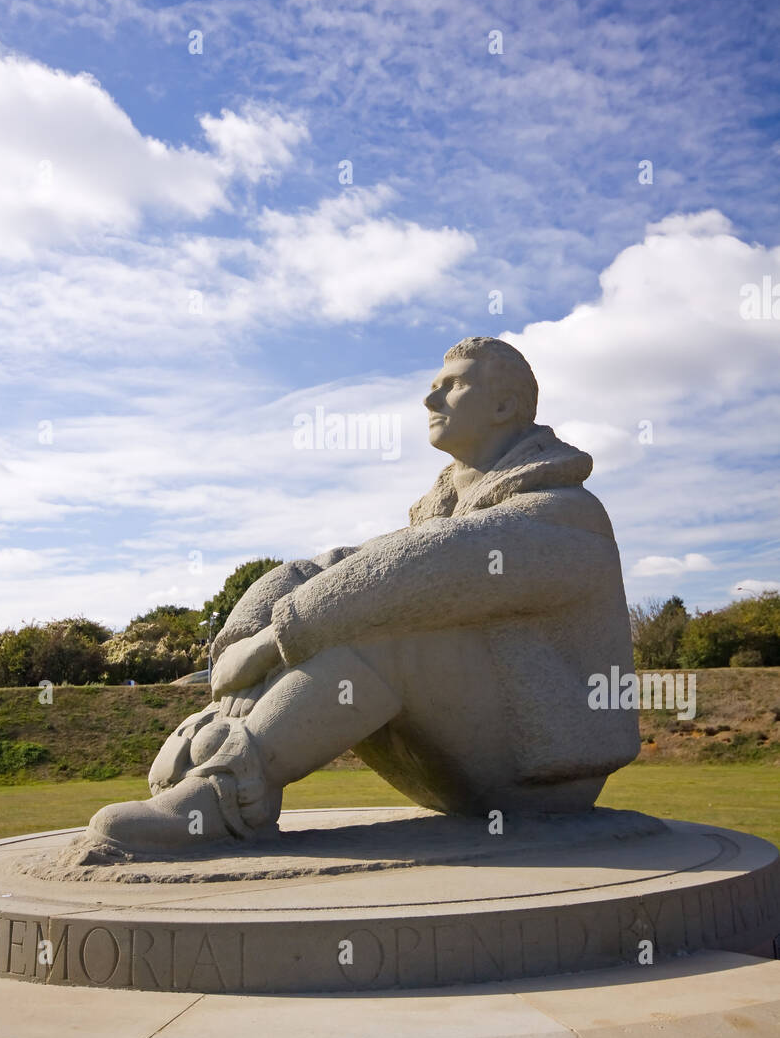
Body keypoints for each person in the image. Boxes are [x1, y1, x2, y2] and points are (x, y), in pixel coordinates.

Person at [76, 336, 639, 862]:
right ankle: (222, 755)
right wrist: (243, 643)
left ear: (503, 407)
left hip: (542, 779)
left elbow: (434, 565)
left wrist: (276, 642)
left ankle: (227, 790)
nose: (429, 397)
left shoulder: (564, 514)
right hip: (467, 769)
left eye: (454, 384)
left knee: (389, 618)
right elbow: (329, 568)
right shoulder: (445, 513)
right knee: (346, 595)